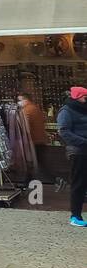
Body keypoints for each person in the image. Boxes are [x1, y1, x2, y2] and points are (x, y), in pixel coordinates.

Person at [55, 86, 87, 228]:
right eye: (85, 97)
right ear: (78, 97)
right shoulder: (66, 111)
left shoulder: (83, 109)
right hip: (78, 151)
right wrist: (84, 141)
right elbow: (64, 132)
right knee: (78, 184)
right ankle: (75, 216)